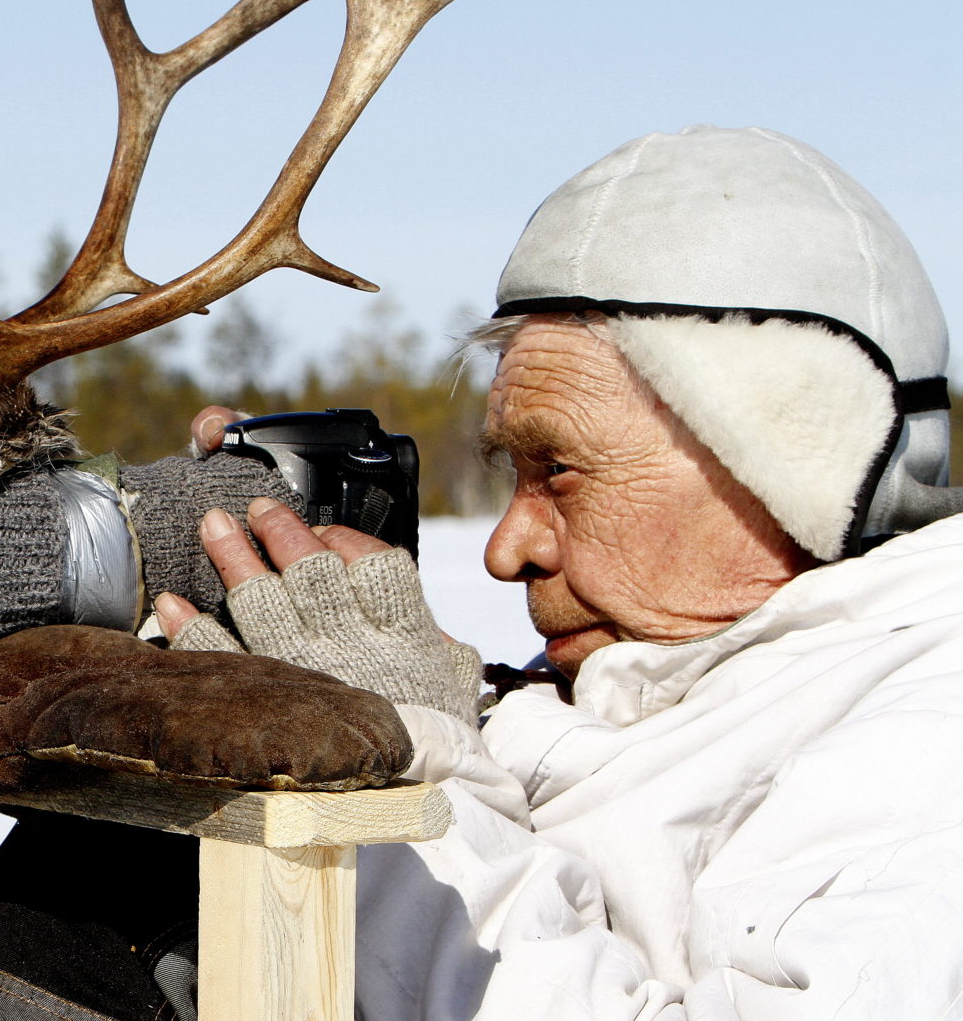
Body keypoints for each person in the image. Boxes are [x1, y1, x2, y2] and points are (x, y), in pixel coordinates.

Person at [152, 124, 963, 1018]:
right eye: (513, 470)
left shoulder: (932, 754)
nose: (506, 550)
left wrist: (397, 777)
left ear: (792, 469)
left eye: (561, 471)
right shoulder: (644, 685)